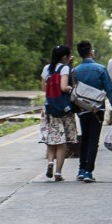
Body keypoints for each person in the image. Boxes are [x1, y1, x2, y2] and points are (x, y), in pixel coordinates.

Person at [71, 40, 112, 183]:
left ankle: (81, 170)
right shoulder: (100, 69)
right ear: (90, 52)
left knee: (85, 139)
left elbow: (72, 92)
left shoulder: (75, 71)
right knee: (93, 140)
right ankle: (88, 171)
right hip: (97, 109)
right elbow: (110, 91)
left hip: (82, 109)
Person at [39, 45, 77, 182]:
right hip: (62, 109)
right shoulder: (65, 68)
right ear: (64, 57)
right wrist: (72, 88)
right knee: (62, 142)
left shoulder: (47, 68)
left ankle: (50, 163)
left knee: (51, 139)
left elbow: (43, 87)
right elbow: (63, 87)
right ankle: (58, 173)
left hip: (49, 108)